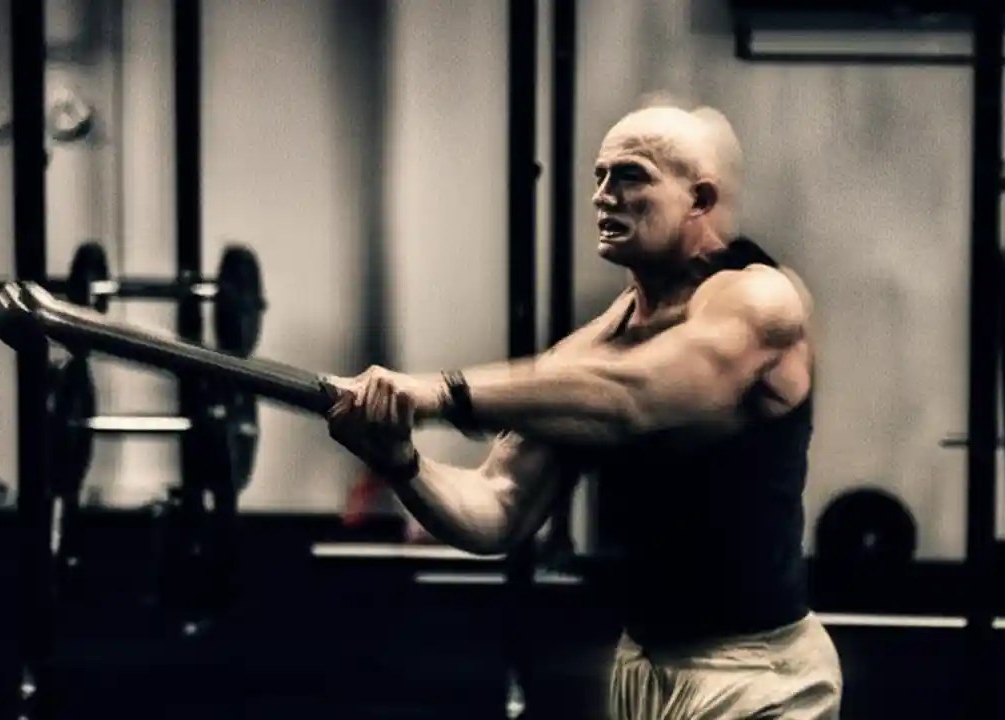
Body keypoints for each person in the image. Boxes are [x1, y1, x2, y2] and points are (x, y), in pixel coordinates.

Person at [326, 102, 843, 719]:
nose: (603, 196)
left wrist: (441, 393)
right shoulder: (594, 348)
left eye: (630, 176)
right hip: (644, 670)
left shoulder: (760, 300)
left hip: (758, 674)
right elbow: (497, 508)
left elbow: (635, 397)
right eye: (598, 177)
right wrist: (402, 463)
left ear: (699, 199)